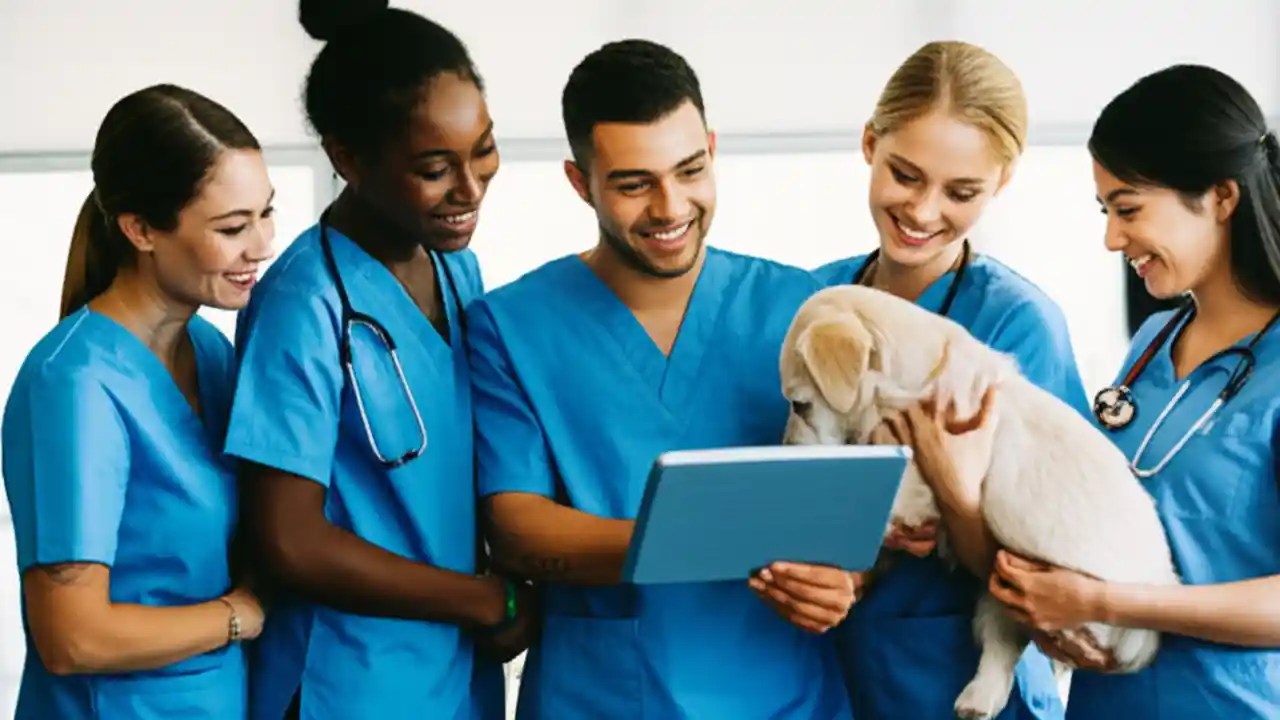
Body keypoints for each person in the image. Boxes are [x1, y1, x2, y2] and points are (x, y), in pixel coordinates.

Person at [468, 39, 855, 719]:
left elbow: (849, 507)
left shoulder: (801, 308)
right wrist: (725, 532)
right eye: (633, 183)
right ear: (579, 181)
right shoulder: (513, 326)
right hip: (604, 695)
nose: (671, 207)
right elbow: (519, 529)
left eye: (690, 170)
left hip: (783, 693)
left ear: (711, 148)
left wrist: (847, 578)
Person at [223, 2, 534, 719]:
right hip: (350, 681)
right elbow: (288, 538)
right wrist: (483, 598)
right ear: (348, 159)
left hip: (455, 673)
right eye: (434, 168)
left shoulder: (458, 272)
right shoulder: (305, 303)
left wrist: (509, 589)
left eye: (482, 149)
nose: (470, 187)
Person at [988, 63, 1280, 719]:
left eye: (1128, 210)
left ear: (1220, 198)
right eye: (1106, 211)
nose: (1112, 239)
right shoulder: (1151, 341)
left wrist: (1102, 603)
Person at [812, 40, 1086, 719]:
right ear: (870, 143)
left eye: (962, 192)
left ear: (1003, 183)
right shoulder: (816, 304)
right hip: (828, 675)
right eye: (905, 174)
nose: (925, 211)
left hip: (964, 678)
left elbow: (1057, 553)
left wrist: (944, 507)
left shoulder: (1015, 328)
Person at [1, 83, 274, 719]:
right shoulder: (73, 384)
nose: (260, 245)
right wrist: (237, 615)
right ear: (140, 229)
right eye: (232, 227)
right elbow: (73, 637)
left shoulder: (209, 352)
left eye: (266, 214)